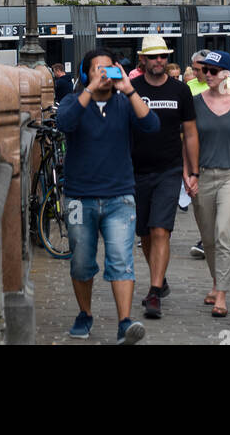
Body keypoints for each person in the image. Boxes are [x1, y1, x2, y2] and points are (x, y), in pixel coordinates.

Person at [57, 46, 160, 344]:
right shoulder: (72, 100)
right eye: (96, 69)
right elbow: (65, 123)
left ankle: (125, 322)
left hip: (120, 197)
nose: (103, 74)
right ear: (85, 73)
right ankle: (85, 313)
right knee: (81, 261)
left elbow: (151, 125)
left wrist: (128, 89)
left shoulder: (125, 103)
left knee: (121, 260)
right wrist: (88, 89)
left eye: (108, 68)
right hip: (80, 197)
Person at [129, 34, 198, 320]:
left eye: (163, 56)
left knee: (160, 230)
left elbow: (191, 133)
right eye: (154, 56)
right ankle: (161, 277)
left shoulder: (180, 91)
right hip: (136, 171)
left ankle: (154, 291)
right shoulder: (131, 89)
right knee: (145, 233)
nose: (159, 61)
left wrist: (192, 172)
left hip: (169, 170)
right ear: (142, 59)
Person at [190, 50, 230, 317]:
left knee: (223, 234)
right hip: (203, 175)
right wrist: (188, 173)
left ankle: (222, 295)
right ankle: (216, 282)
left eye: (212, 71)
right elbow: (187, 142)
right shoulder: (194, 102)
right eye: (204, 70)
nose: (206, 75)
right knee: (208, 239)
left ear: (226, 73)